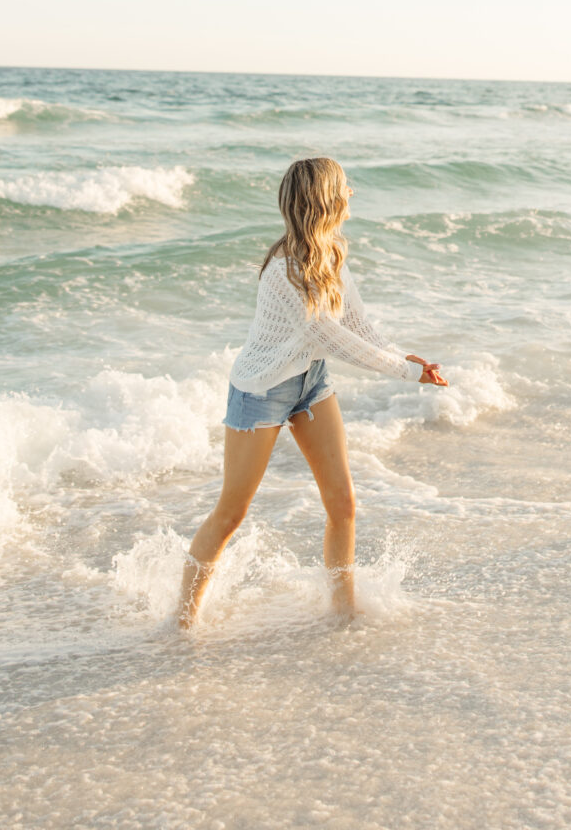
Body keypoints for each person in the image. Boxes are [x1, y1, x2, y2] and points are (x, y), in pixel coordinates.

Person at [178, 156, 447, 627]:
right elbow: (334, 338)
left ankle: (344, 611)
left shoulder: (331, 253)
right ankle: (180, 623)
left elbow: (358, 323)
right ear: (325, 199)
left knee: (342, 503)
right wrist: (406, 375)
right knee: (231, 515)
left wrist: (406, 357)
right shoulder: (286, 272)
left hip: (310, 382)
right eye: (344, 189)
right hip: (261, 390)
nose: (350, 196)